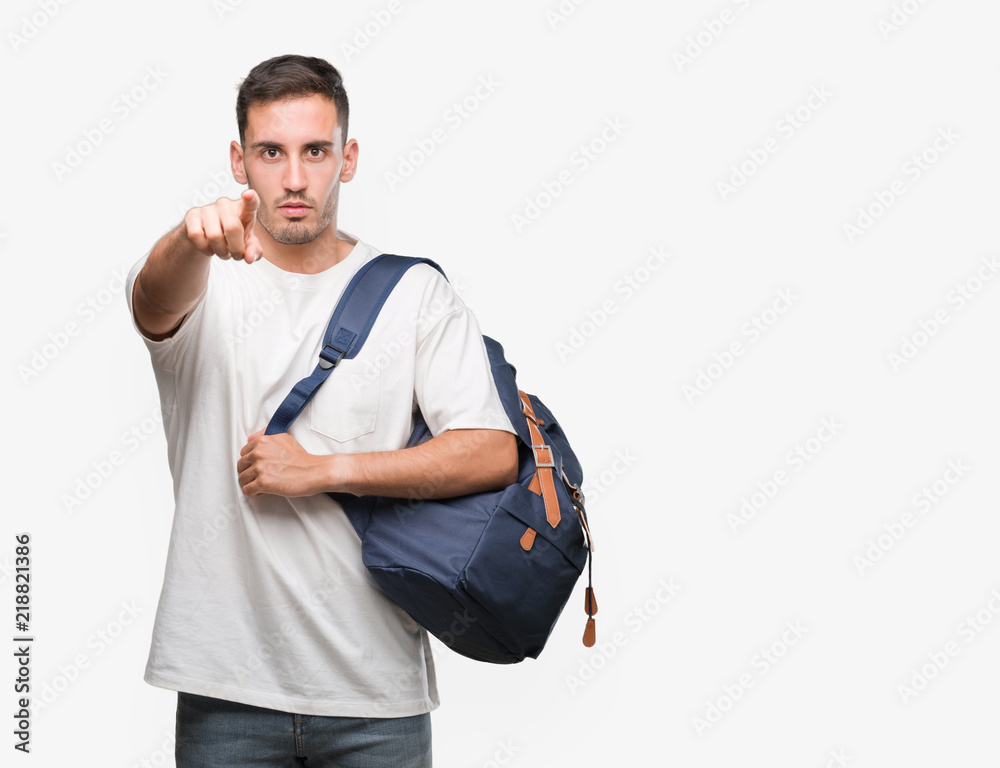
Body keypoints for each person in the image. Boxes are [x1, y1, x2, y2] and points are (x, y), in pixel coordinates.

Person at [125, 54, 518, 767]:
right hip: (224, 689)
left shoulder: (415, 294)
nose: (295, 179)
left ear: (349, 158)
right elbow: (152, 301)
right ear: (239, 161)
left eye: (315, 151)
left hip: (376, 698)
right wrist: (188, 237)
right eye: (271, 153)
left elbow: (491, 450)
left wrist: (325, 470)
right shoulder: (203, 279)